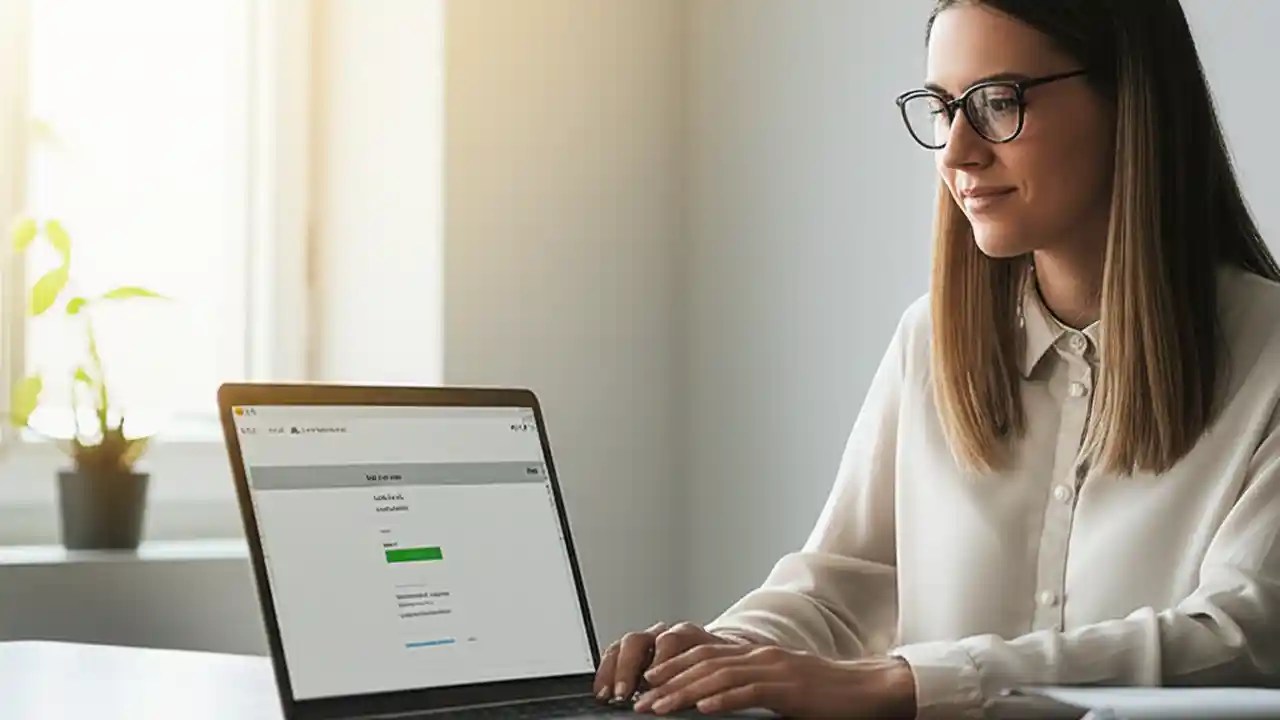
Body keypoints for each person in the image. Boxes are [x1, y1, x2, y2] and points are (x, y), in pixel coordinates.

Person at [593, 1, 1280, 718]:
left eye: (997, 101)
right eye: (944, 107)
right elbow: (843, 585)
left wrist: (906, 683)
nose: (957, 152)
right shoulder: (927, 340)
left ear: (1131, 101)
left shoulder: (1269, 356)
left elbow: (1245, 634)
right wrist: (716, 656)